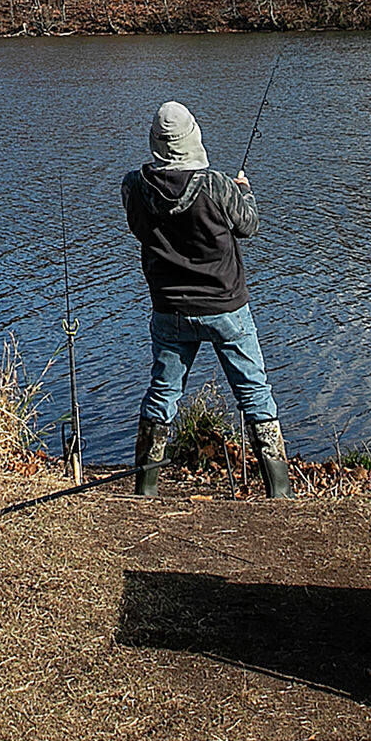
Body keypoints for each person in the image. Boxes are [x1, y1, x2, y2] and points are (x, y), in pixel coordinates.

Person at [120, 100, 291, 498]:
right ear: (192, 137)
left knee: (162, 393)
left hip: (170, 310)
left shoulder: (133, 186)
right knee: (254, 392)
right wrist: (244, 192)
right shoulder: (217, 185)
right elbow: (249, 226)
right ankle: (280, 491)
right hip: (227, 306)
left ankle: (145, 489)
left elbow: (139, 229)